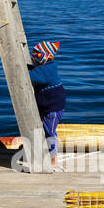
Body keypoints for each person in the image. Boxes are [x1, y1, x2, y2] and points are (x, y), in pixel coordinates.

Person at [29, 40, 67, 171]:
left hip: (53, 108)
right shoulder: (48, 67)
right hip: (50, 105)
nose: (32, 58)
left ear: (43, 57)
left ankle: (53, 160)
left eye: (35, 56)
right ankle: (44, 152)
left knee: (50, 132)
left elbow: (30, 77)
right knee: (45, 129)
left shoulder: (45, 71)